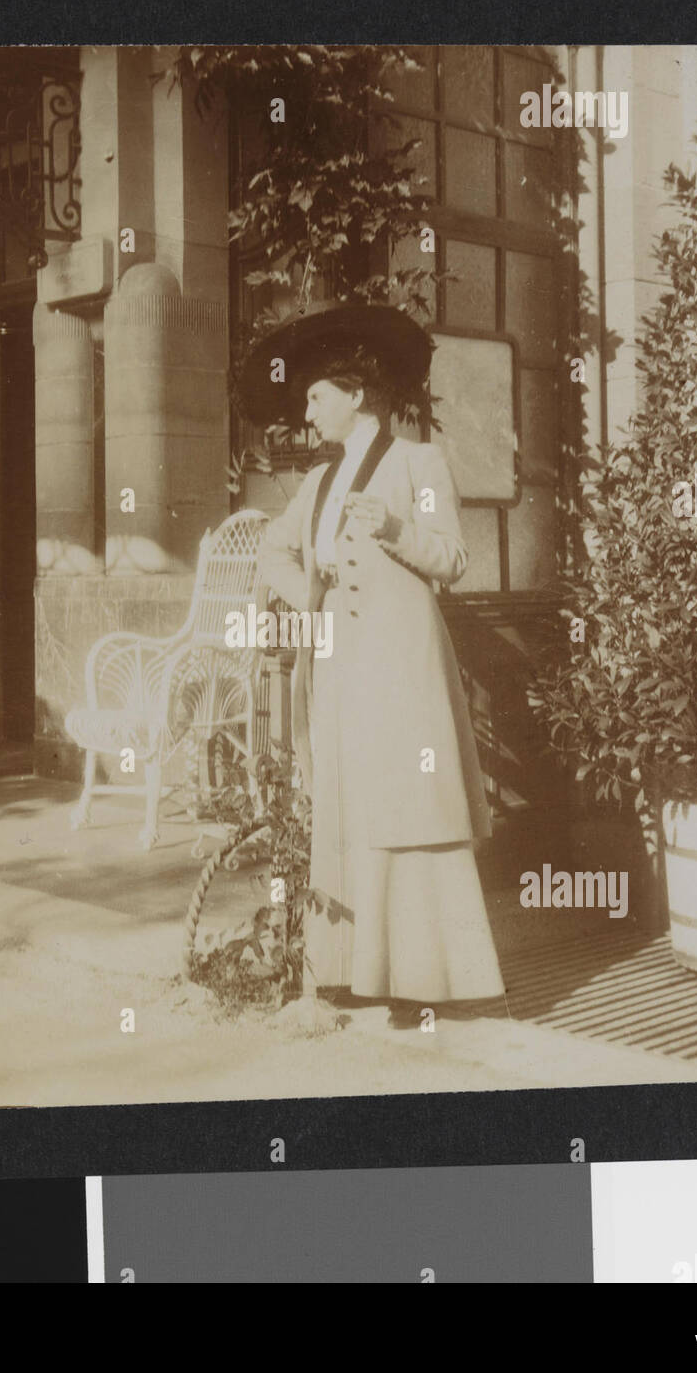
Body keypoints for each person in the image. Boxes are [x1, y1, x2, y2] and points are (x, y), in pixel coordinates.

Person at [243, 302, 506, 1029]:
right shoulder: (318, 483)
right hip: (341, 670)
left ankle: (423, 979)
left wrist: (393, 529)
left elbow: (452, 559)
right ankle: (354, 972)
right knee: (351, 806)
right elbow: (273, 549)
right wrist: (311, 601)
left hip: (404, 665)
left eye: (315, 396)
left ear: (355, 394)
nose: (307, 409)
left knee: (410, 808)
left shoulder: (418, 462)